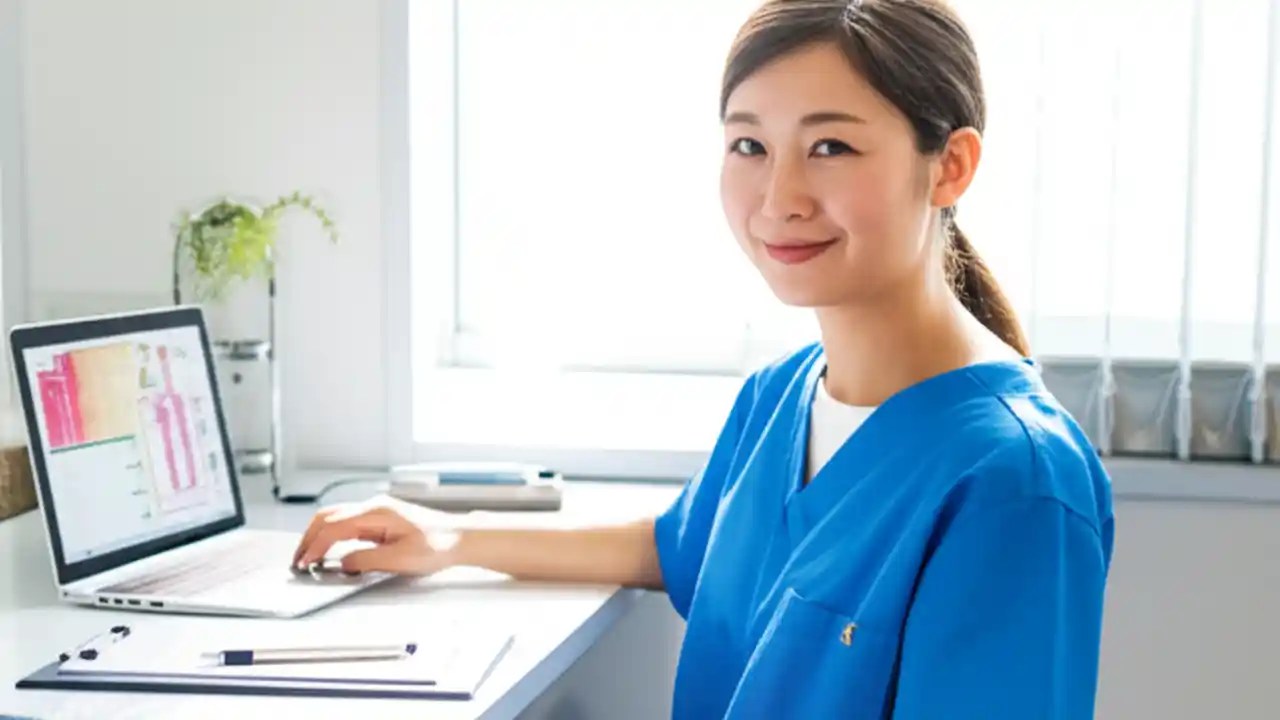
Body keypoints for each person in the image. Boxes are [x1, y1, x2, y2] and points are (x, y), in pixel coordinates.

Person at [292, 0, 1115, 717]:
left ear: (952, 165)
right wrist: (452, 540)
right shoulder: (778, 398)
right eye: (749, 146)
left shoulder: (1014, 483)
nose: (778, 197)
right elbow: (676, 548)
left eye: (831, 147)